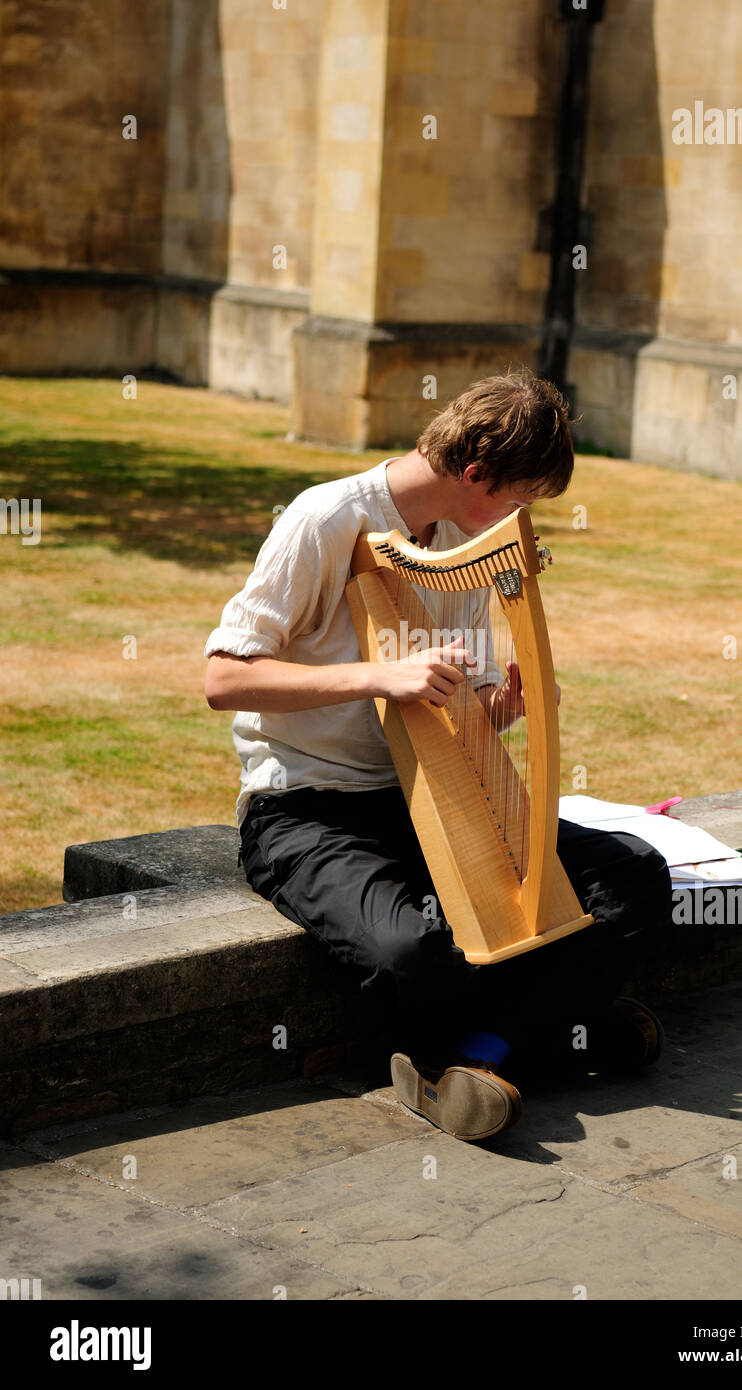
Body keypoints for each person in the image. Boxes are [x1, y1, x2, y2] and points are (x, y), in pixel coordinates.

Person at [204, 369, 672, 1143]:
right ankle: (557, 1032)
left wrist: (503, 707)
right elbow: (223, 678)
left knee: (630, 875)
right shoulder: (325, 518)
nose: (519, 520)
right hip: (305, 810)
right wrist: (377, 674)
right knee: (408, 951)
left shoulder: (463, 543)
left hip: (427, 798)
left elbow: (455, 707)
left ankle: (483, 1056)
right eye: (517, 499)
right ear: (475, 472)